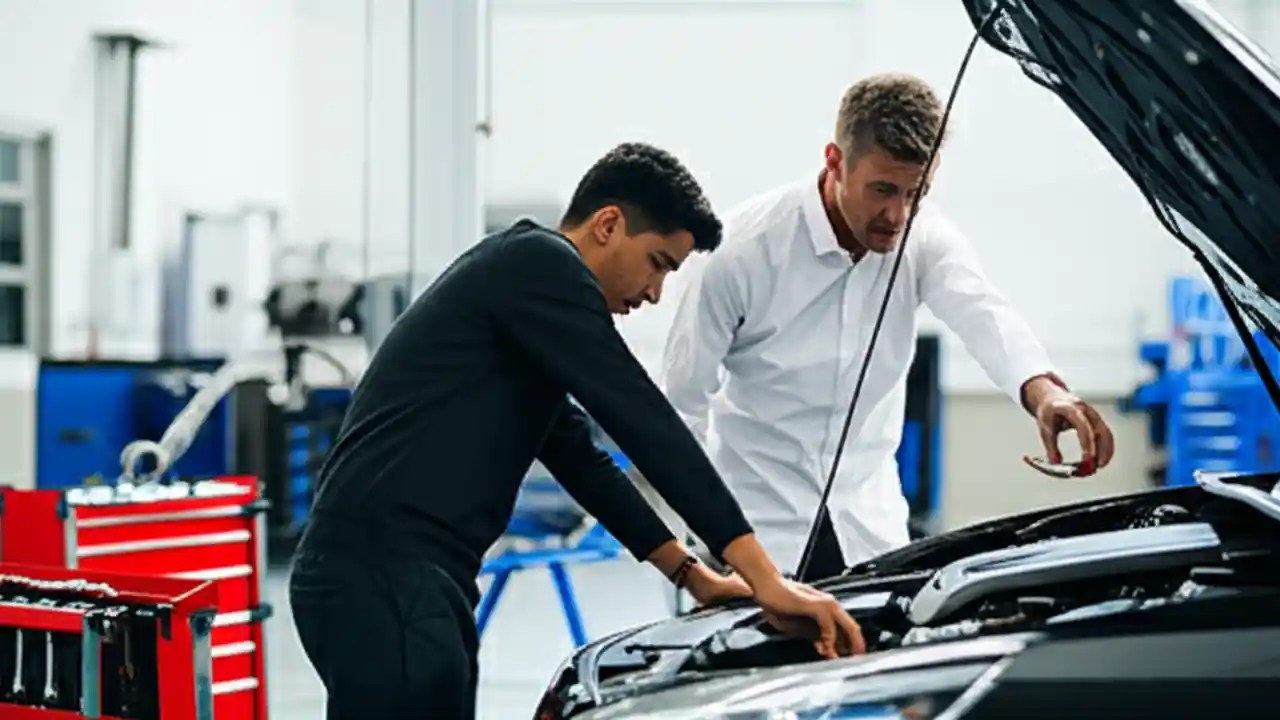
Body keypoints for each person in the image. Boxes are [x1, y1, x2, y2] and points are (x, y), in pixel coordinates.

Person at [287, 141, 865, 720]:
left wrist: (695, 576)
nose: (653, 293)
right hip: (384, 573)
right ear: (608, 224)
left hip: (401, 577)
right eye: (658, 263)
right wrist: (766, 578)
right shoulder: (540, 266)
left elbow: (581, 458)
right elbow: (640, 416)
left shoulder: (523, 305)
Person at [658, 72, 1117, 583]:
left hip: (871, 535)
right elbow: (683, 406)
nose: (897, 215)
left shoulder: (924, 237)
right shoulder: (738, 253)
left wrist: (1045, 394)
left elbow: (983, 311)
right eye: (881, 190)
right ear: (834, 162)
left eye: (914, 192)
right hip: (756, 536)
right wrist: (694, 554)